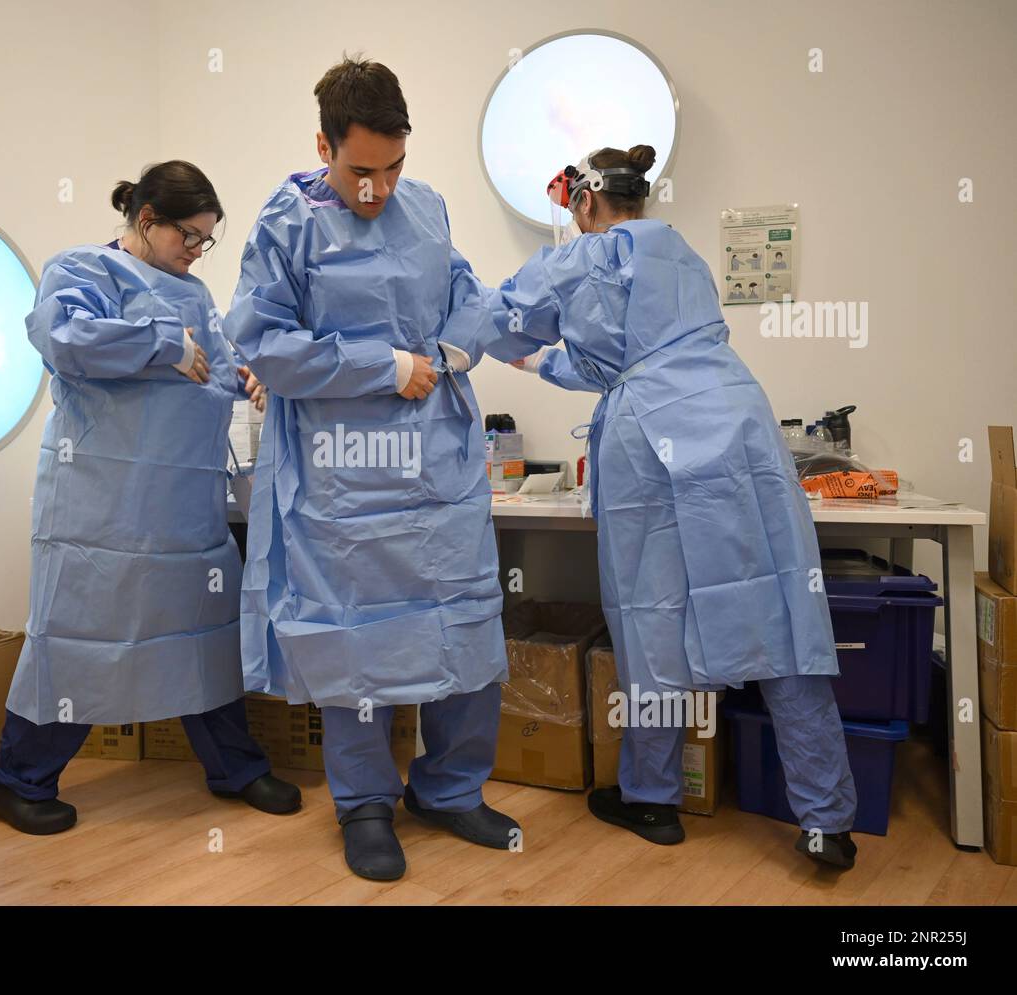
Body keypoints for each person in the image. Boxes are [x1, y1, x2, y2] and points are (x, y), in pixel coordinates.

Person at [485, 146, 859, 870]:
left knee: (649, 618)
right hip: (738, 420)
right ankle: (826, 820)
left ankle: (654, 799)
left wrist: (498, 339)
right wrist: (551, 360)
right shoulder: (681, 254)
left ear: (584, 201)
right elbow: (619, 354)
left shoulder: (589, 254)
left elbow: (504, 321)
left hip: (649, 437)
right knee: (783, 609)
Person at [223, 57, 518, 881]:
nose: (378, 189)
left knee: (463, 625)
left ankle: (453, 790)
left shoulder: (424, 207)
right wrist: (382, 366)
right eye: (361, 170)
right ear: (323, 144)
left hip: (440, 469)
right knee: (357, 642)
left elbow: (464, 287)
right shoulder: (286, 224)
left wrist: (461, 339)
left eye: (393, 167)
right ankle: (364, 804)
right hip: (342, 480)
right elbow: (266, 346)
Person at [0, 161, 300, 835]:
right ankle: (16, 780)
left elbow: (217, 365)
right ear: (146, 219)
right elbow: (62, 340)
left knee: (204, 636)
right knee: (80, 641)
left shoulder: (196, 293)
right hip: (102, 507)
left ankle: (235, 767)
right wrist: (162, 344)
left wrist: (253, 380)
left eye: (207, 239)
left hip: (185, 508)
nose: (196, 249)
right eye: (189, 234)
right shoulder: (83, 270)